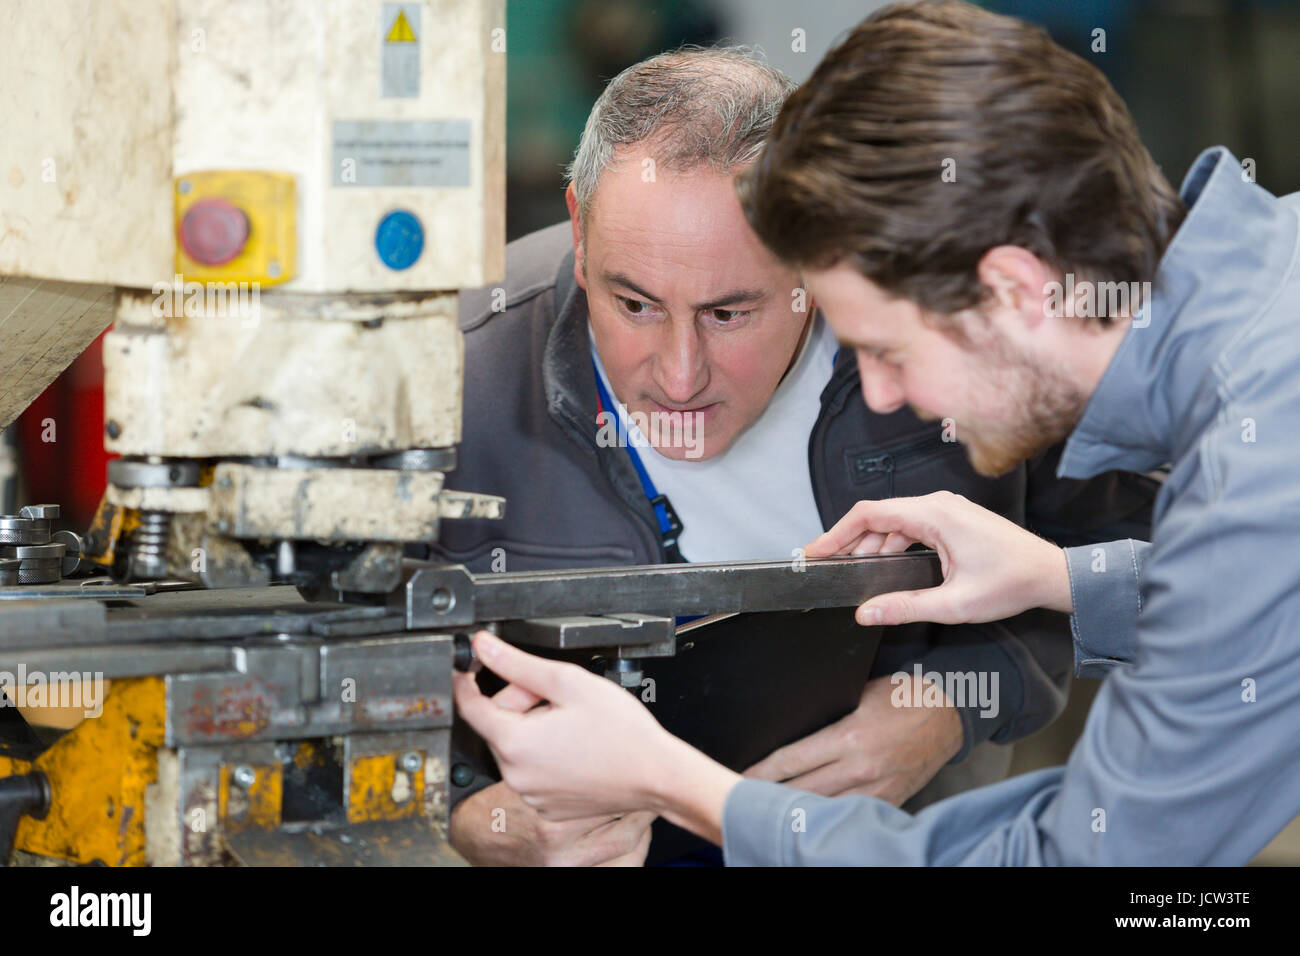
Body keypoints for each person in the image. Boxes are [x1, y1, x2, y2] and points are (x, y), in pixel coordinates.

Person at [440, 40, 1155, 866]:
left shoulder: (939, 343)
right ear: (577, 222)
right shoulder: (453, 366)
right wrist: (469, 814)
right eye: (633, 303)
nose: (679, 376)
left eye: (729, 314)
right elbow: (336, 660)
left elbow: (1110, 554)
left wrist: (954, 703)